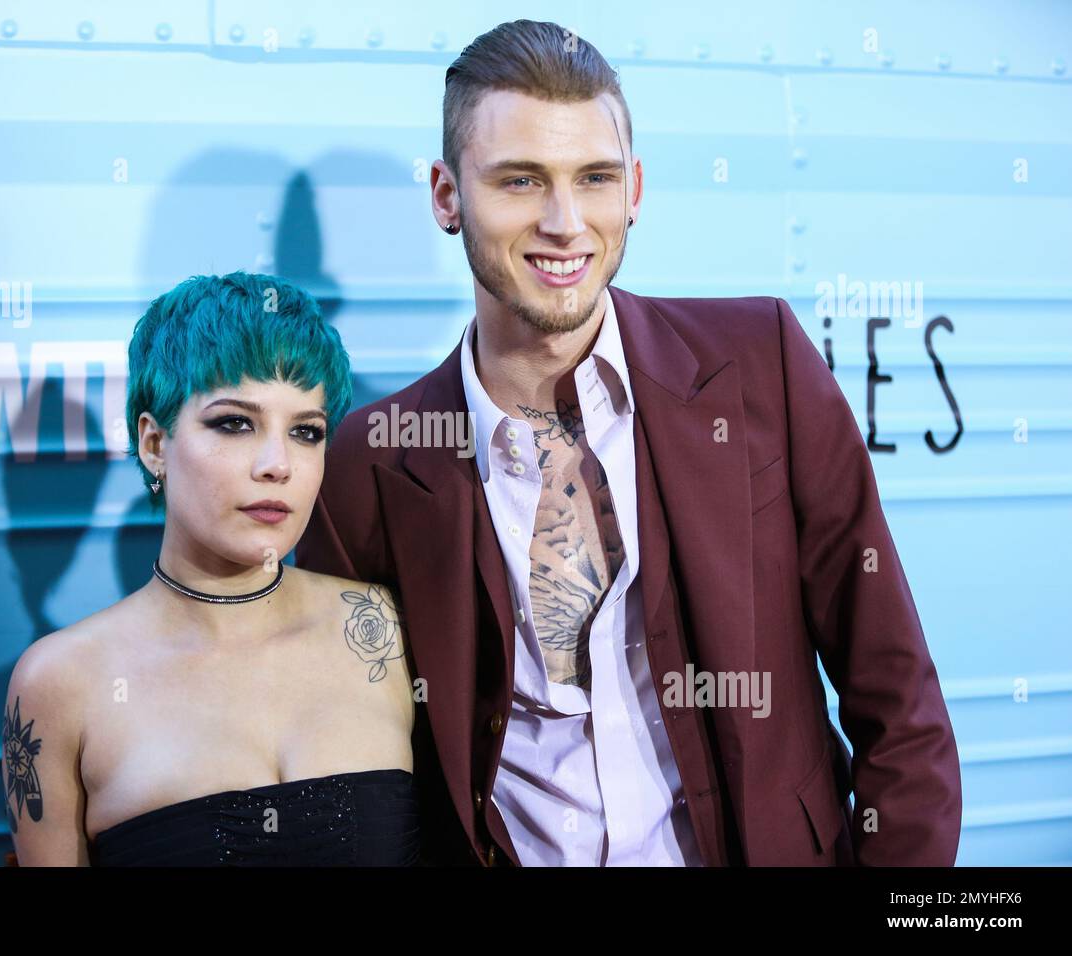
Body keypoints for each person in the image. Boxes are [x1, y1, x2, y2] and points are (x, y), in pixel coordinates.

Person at [296, 19, 962, 866]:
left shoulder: (762, 367)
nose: (565, 222)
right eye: (521, 181)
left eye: (595, 179)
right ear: (446, 195)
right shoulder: (373, 462)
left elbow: (899, 701)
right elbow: (355, 777)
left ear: (635, 188)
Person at [1, 272, 419, 866]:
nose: (277, 465)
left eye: (306, 432)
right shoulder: (60, 682)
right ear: (154, 443)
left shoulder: (379, 626)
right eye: (234, 423)